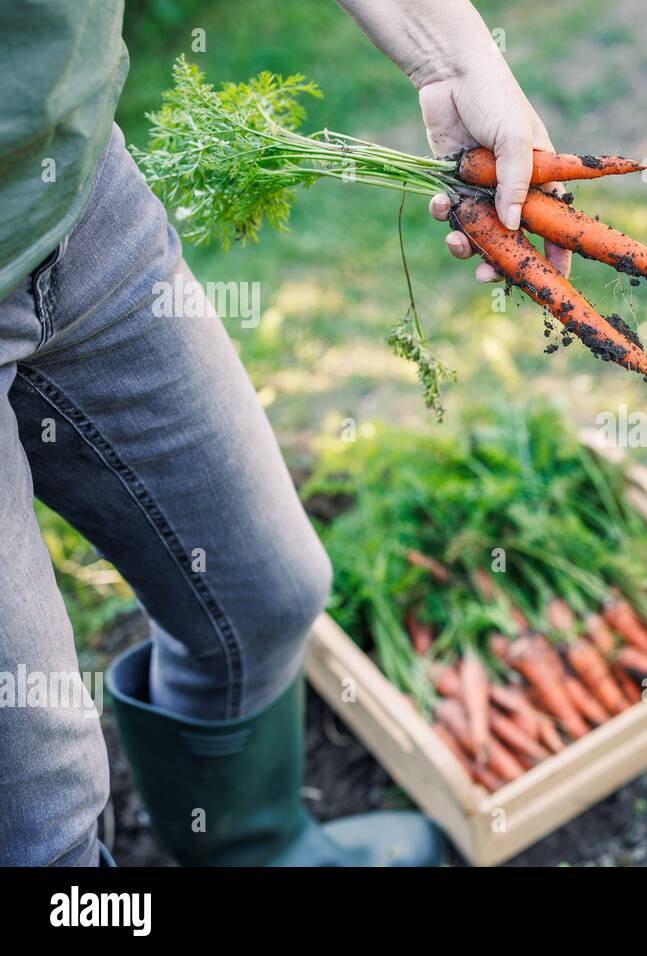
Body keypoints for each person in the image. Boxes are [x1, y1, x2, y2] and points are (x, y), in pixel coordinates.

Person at [0, 0, 567, 867]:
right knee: (43, 811)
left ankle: (255, 851)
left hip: (76, 200)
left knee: (264, 591)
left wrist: (454, 60)